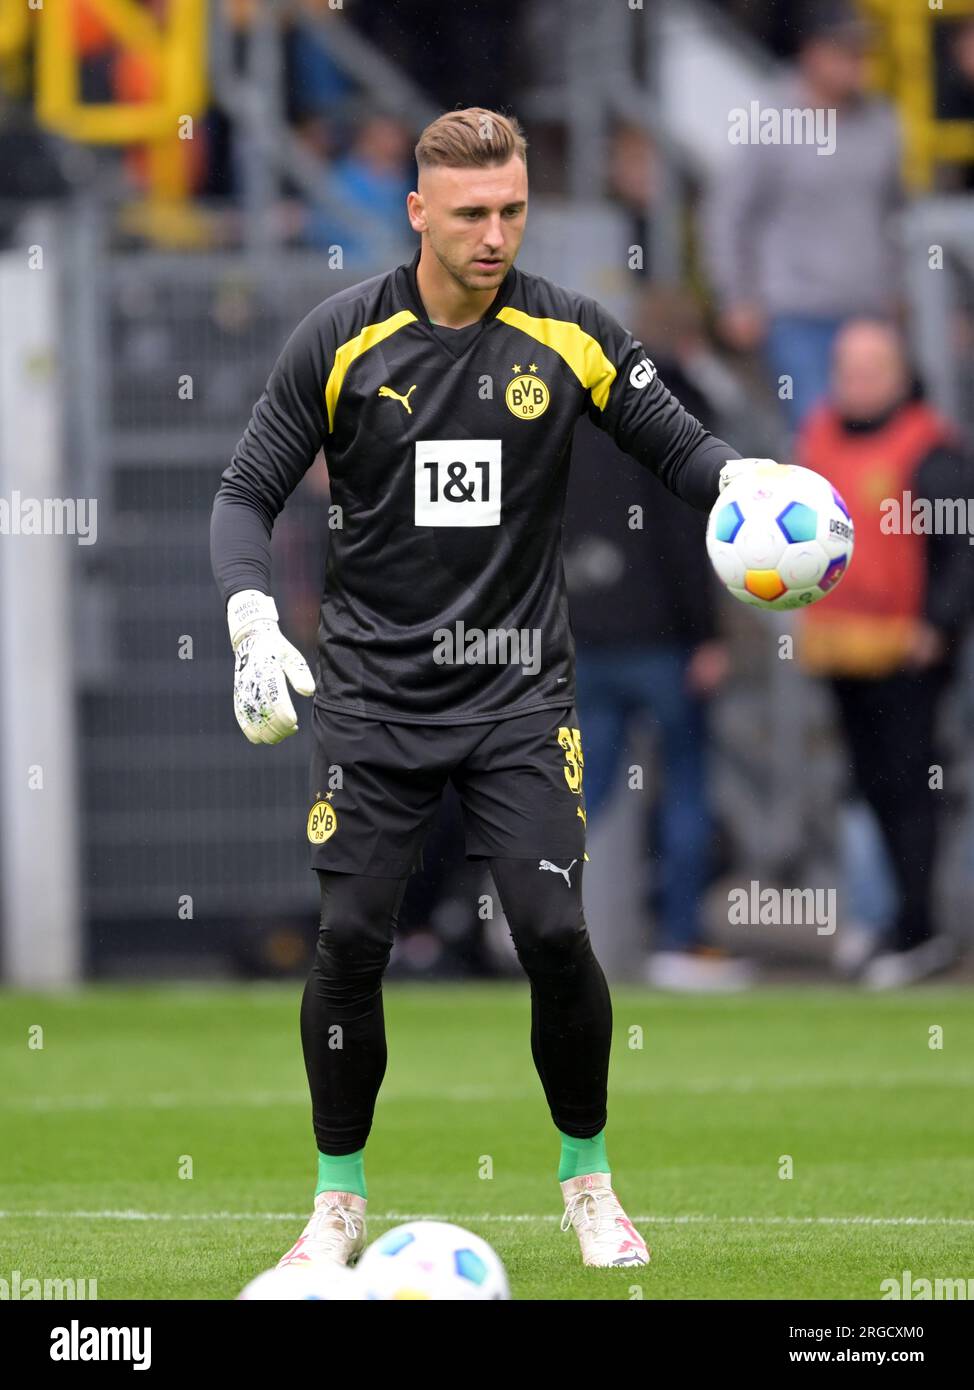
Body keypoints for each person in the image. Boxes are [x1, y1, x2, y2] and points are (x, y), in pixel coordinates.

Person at [210, 107, 763, 1272]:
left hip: (516, 692)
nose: (495, 233)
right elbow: (242, 492)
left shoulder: (566, 333)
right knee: (351, 938)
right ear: (418, 212)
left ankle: (587, 1180)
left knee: (553, 929)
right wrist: (251, 616)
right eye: (471, 214)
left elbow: (672, 440)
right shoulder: (341, 338)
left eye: (511, 210)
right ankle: (336, 1203)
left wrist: (745, 483)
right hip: (369, 696)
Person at [797, 319, 973, 988]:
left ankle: (920, 927)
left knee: (912, 790)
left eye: (872, 367)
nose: (857, 381)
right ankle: (886, 921)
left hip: (908, 654)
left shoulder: (929, 448)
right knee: (865, 792)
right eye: (847, 367)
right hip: (839, 648)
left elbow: (961, 547)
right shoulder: (817, 439)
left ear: (901, 373)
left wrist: (940, 624)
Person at [703, 0, 903, 431]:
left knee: (876, 441)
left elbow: (895, 215)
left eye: (861, 52)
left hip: (867, 310)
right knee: (816, 435)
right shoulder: (770, 120)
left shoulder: (883, 123)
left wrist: (898, 285)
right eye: (845, 51)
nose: (856, 64)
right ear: (812, 52)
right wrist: (735, 296)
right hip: (795, 313)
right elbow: (729, 213)